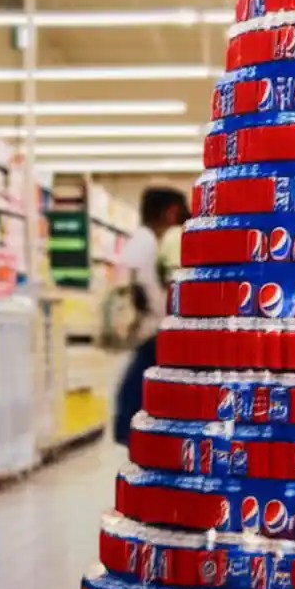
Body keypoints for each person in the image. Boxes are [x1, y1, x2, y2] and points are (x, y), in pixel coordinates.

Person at [112, 187, 191, 444]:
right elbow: (134, 285)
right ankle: (131, 431)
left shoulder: (148, 240)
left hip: (153, 326)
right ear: (171, 212)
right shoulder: (145, 240)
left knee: (141, 380)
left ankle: (133, 430)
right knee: (140, 382)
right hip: (152, 327)